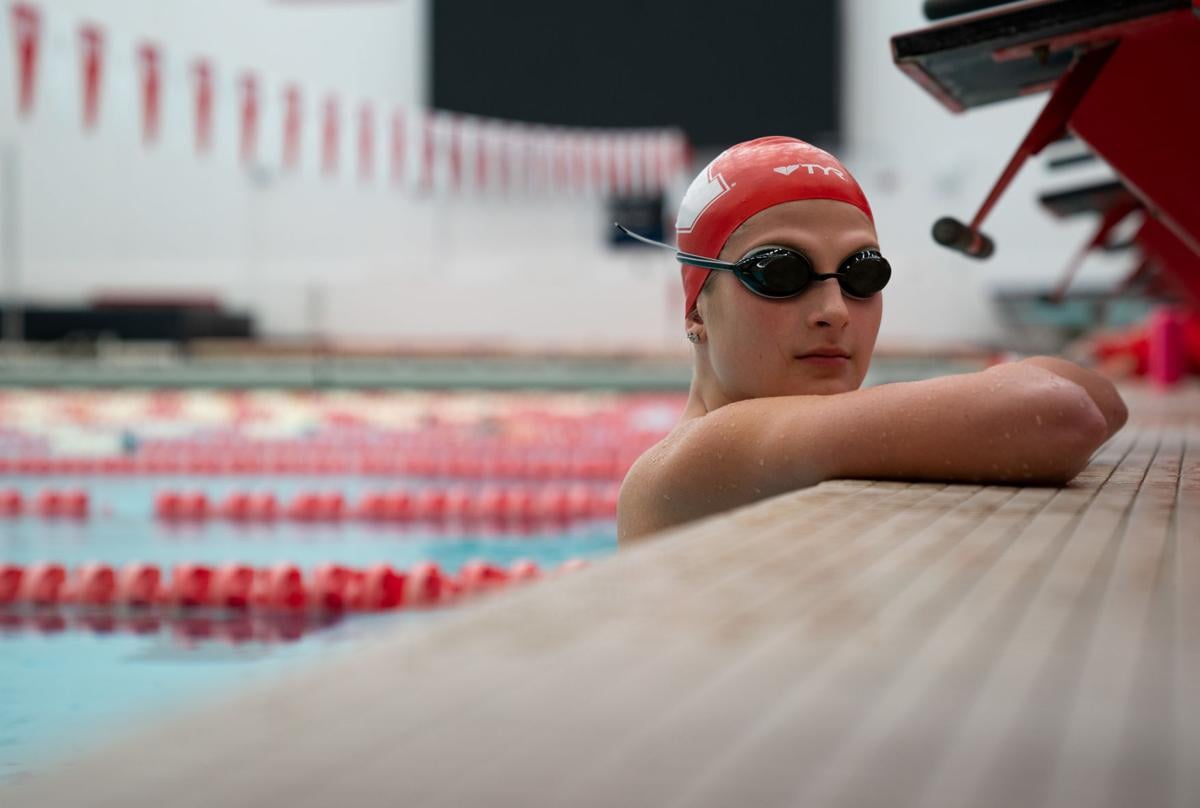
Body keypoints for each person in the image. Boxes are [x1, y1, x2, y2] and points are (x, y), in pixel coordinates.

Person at [617, 136, 1128, 543]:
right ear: (696, 307)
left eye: (862, 275)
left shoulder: (804, 439)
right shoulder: (696, 459)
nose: (834, 311)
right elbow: (1064, 412)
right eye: (779, 273)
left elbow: (1104, 401)